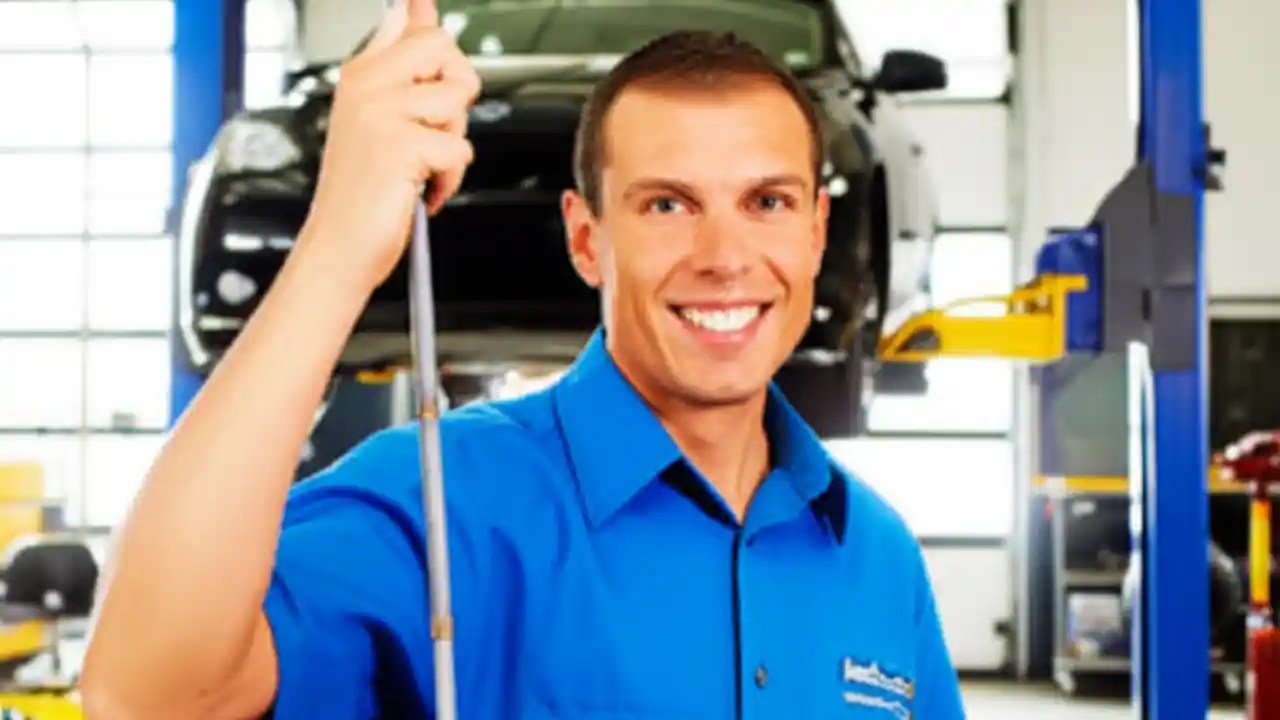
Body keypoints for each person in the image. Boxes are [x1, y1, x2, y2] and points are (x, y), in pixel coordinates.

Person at [80, 0, 966, 717]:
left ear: (817, 229)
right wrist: (340, 242)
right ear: (586, 240)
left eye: (766, 201)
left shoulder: (876, 553)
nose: (726, 255)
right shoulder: (443, 498)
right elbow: (148, 693)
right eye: (667, 206)